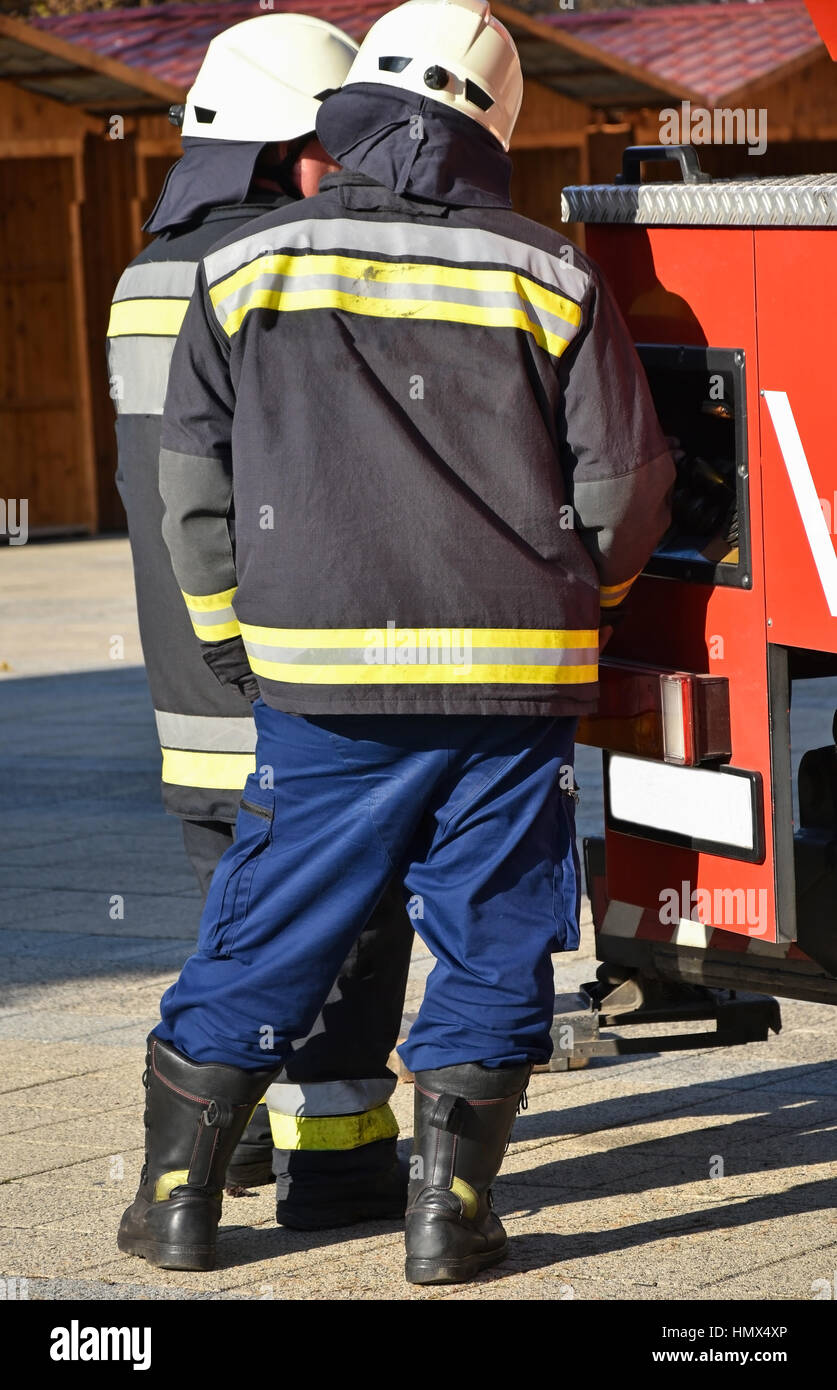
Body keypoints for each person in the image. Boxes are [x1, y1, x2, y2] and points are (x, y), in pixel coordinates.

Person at [121, 0, 674, 1285]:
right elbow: (626, 486)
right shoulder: (548, 269)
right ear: (495, 129)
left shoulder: (248, 266)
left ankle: (177, 1206)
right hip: (511, 683)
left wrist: (233, 639)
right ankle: (450, 1220)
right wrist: (575, 601)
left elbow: (190, 481)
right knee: (493, 929)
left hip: (320, 682)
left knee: (273, 923)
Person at [108, 13, 414, 1237]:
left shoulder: (144, 280)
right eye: (331, 145)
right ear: (283, 150)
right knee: (348, 922)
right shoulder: (301, 270)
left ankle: (219, 1145)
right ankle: (335, 1165)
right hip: (302, 675)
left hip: (193, 692)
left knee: (240, 918)